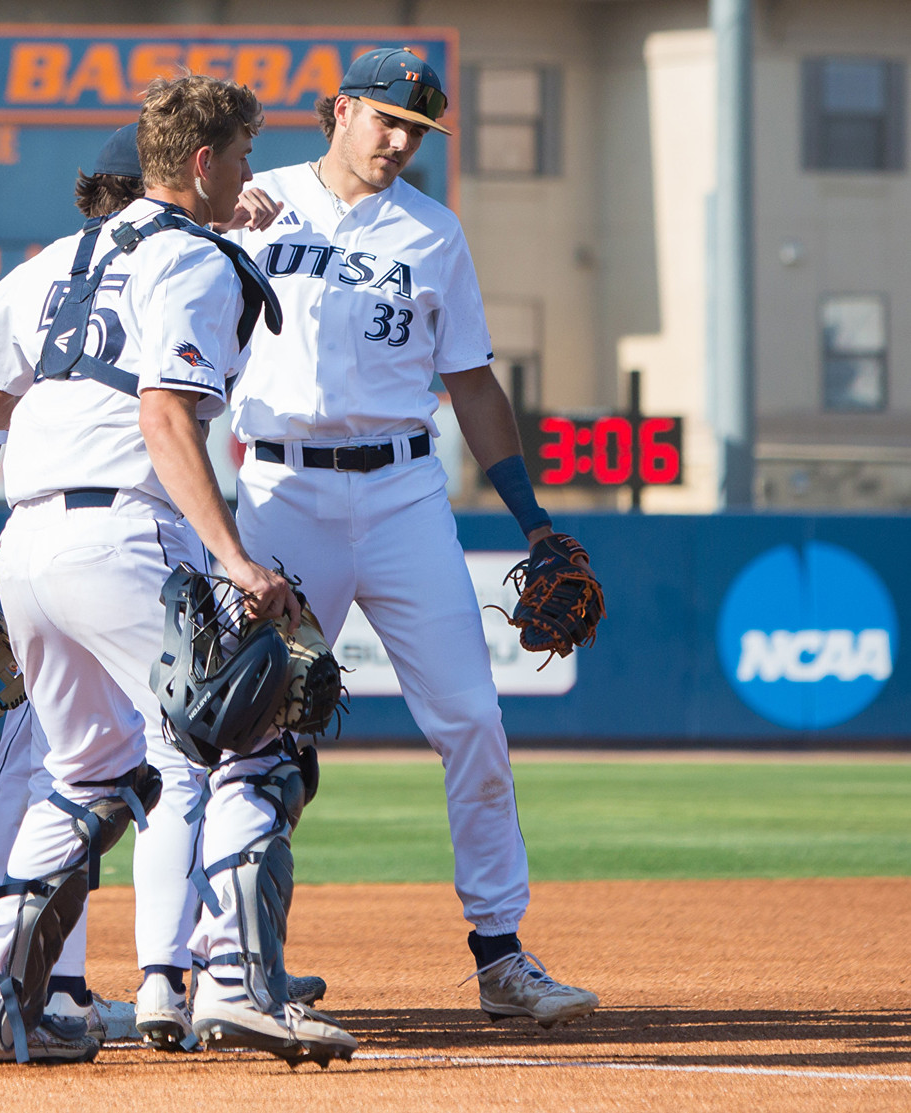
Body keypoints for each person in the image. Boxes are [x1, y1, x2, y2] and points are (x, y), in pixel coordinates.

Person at [221, 47, 599, 1028]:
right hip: (278, 489)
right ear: (340, 110)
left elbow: (470, 379)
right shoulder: (255, 201)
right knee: (251, 726)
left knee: (472, 719)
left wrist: (534, 518)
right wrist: (218, 226)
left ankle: (502, 956)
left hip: (401, 494)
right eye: (386, 119)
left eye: (417, 130)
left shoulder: (433, 231)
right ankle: (222, 964)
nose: (399, 141)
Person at [0, 75, 300, 1066]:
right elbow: (162, 410)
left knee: (90, 773)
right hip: (124, 531)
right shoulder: (194, 257)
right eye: (238, 155)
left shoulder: (51, 262)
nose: (245, 173)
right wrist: (231, 557)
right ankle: (234, 986)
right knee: (248, 747)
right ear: (201, 162)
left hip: (29, 541)